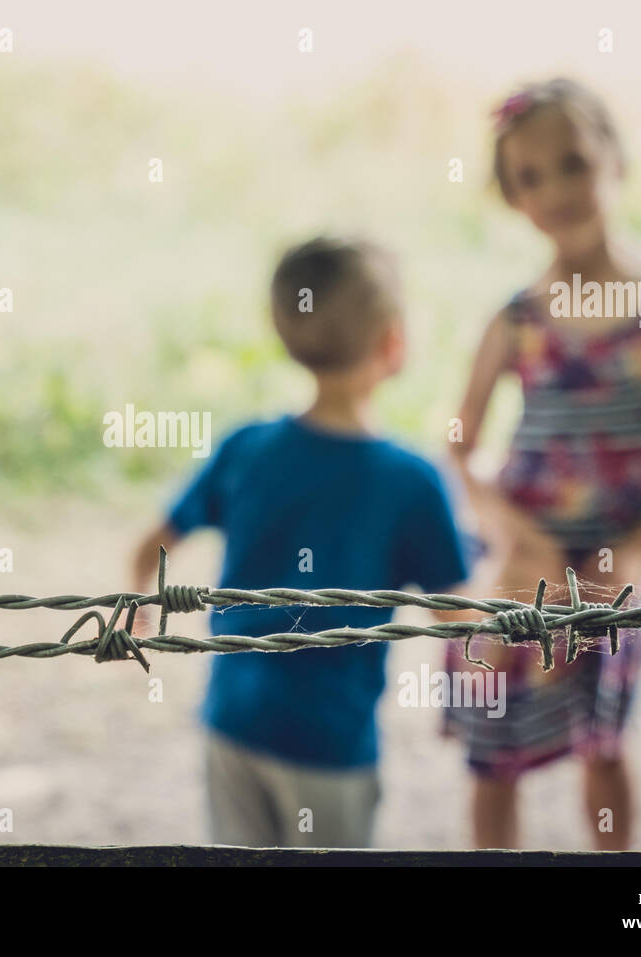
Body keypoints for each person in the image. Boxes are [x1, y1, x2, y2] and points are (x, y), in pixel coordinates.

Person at [442, 78, 641, 849]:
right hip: (520, 553)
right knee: (492, 750)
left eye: (571, 162)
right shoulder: (516, 315)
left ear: (614, 157)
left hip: (619, 558)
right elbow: (458, 444)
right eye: (529, 177)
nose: (555, 190)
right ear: (512, 197)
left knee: (602, 743)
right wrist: (515, 537)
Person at [130, 235, 470, 848]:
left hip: (231, 722)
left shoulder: (246, 447)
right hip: (330, 744)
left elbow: (150, 547)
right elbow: (460, 615)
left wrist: (142, 605)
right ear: (393, 343)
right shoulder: (414, 481)